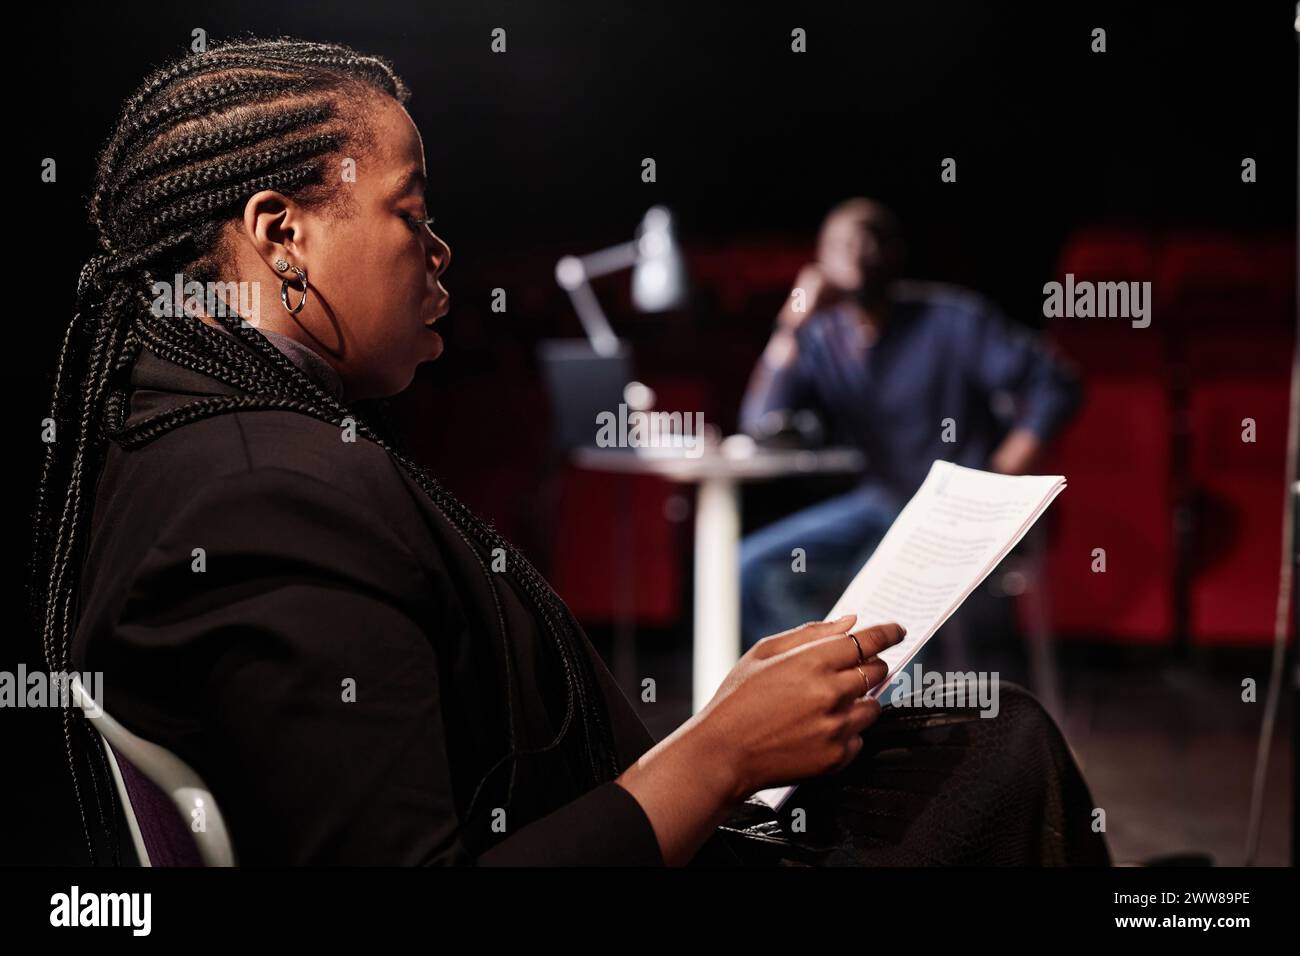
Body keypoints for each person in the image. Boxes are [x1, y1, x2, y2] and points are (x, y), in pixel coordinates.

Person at [32, 38, 1107, 867]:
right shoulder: (268, 493)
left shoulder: (176, 437)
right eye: (410, 209)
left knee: (964, 739)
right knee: (995, 754)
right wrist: (718, 753)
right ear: (282, 235)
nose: (440, 247)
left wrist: (722, 735)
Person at [738, 199, 1083, 657]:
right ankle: (822, 690)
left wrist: (1005, 467)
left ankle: (889, 719)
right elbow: (760, 422)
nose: (857, 254)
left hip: (951, 512)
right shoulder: (823, 337)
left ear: (895, 255)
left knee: (877, 604)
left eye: (870, 241)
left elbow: (1054, 383)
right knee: (748, 568)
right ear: (821, 259)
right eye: (841, 244)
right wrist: (791, 323)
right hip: (880, 501)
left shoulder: (952, 319)